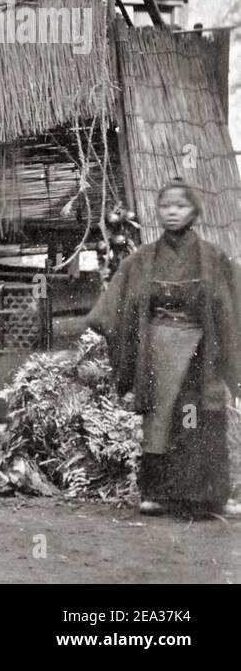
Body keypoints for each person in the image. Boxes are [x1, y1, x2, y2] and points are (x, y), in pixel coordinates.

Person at [85, 179, 241, 517]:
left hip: (201, 350)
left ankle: (209, 498)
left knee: (198, 419)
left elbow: (232, 304)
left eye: (180, 206)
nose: (172, 212)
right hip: (157, 352)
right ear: (157, 211)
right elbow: (114, 305)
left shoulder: (213, 258)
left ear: (195, 212)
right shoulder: (142, 259)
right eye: (166, 206)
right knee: (158, 423)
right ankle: (156, 494)